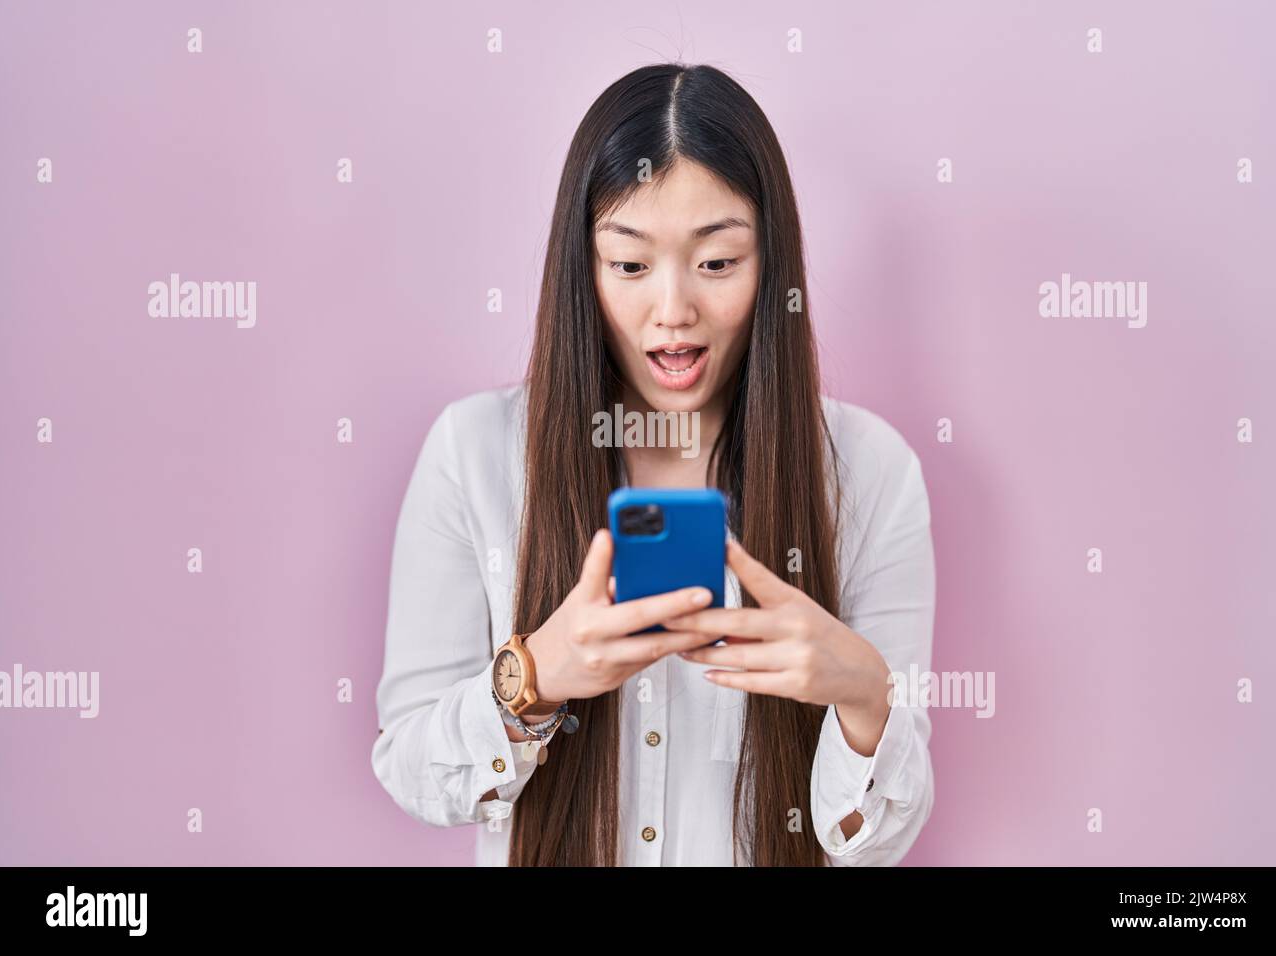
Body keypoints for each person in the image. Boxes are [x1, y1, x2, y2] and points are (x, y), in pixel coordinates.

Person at [371, 62, 936, 866]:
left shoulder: (870, 473)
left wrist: (864, 694)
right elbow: (411, 767)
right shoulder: (473, 452)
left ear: (770, 264)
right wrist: (536, 675)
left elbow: (872, 845)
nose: (674, 310)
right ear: (584, 269)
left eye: (717, 262)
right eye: (630, 265)